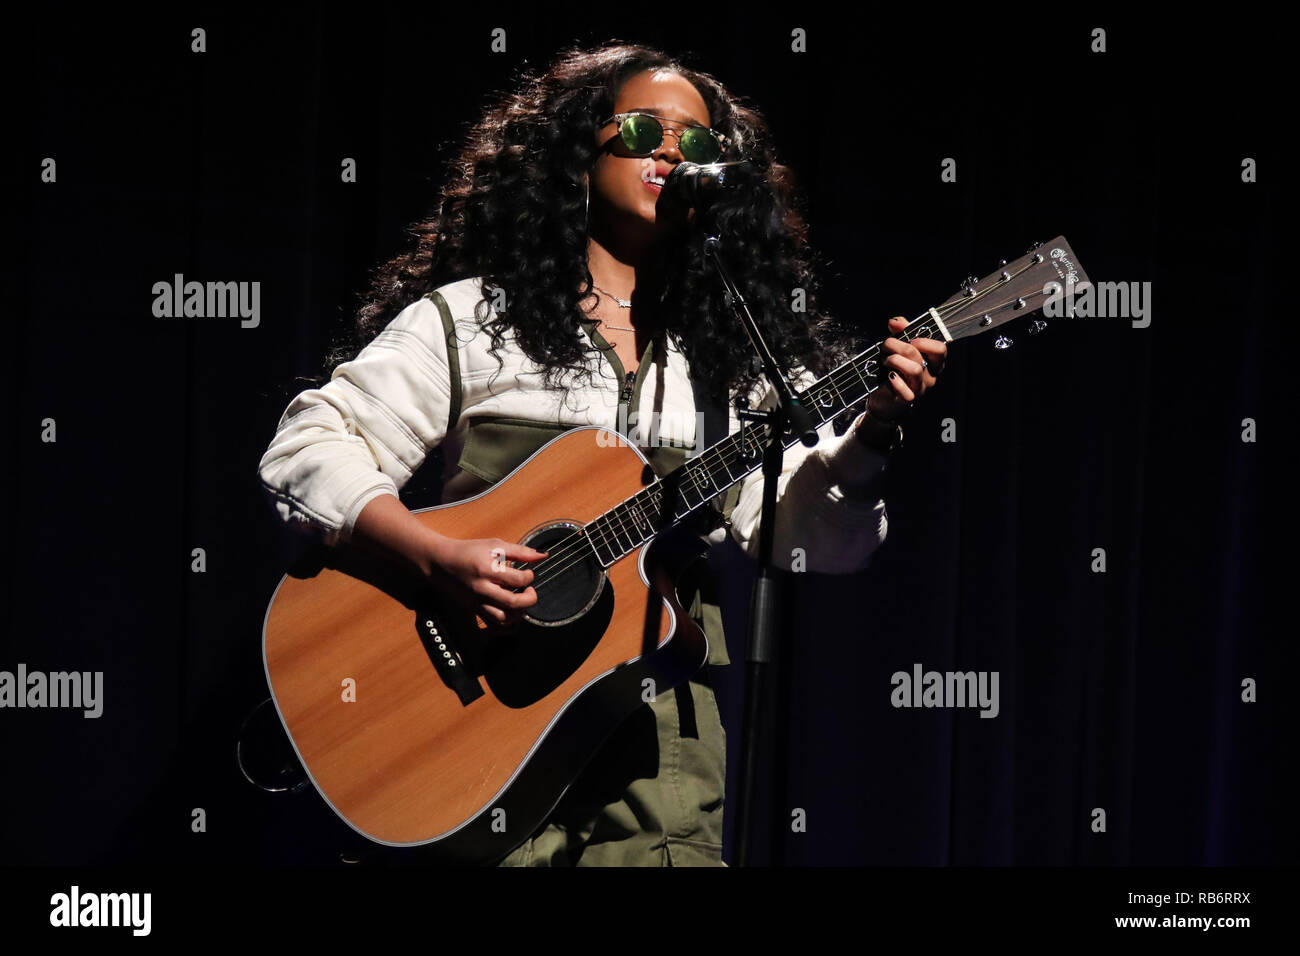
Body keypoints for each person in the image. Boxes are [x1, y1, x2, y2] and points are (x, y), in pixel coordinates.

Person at [257, 42, 946, 866]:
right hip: (471, 730)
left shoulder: (736, 357)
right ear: (576, 150)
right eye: (644, 128)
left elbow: (811, 540)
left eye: (696, 143)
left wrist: (870, 433)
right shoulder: (476, 320)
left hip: (656, 749)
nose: (670, 150)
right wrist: (440, 555)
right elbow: (307, 447)